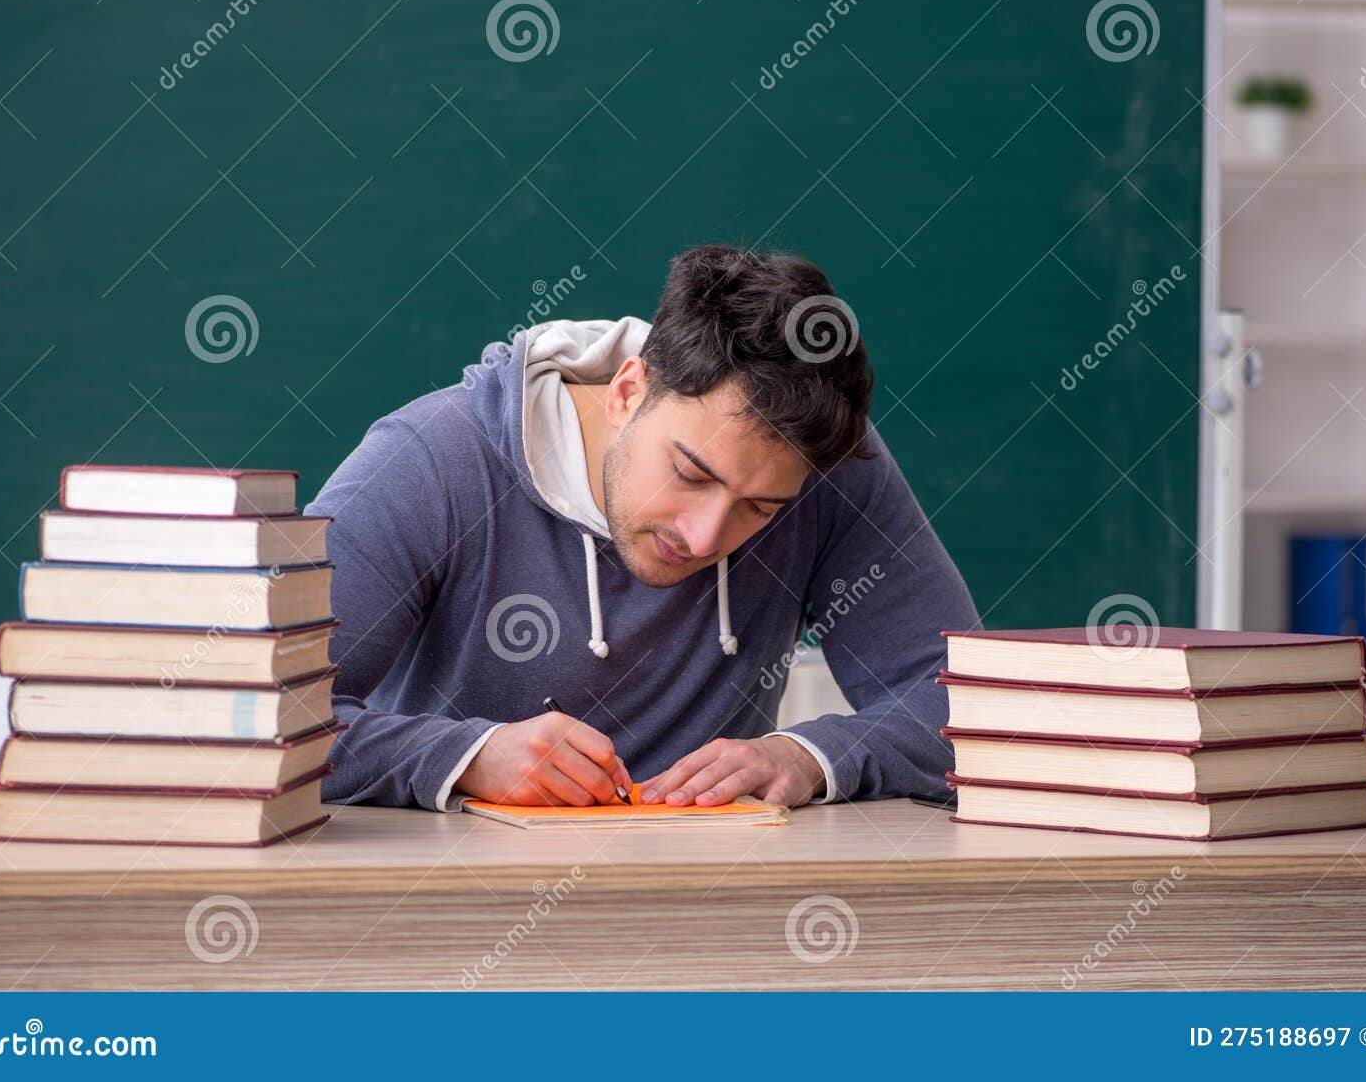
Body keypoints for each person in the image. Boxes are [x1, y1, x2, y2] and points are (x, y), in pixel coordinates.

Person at [304, 245, 978, 811]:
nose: (706, 535)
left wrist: (808, 757)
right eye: (690, 474)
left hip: (705, 916)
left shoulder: (823, 464)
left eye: (761, 508)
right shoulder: (430, 461)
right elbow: (240, 718)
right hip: (453, 918)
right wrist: (465, 756)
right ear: (629, 390)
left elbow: (969, 709)